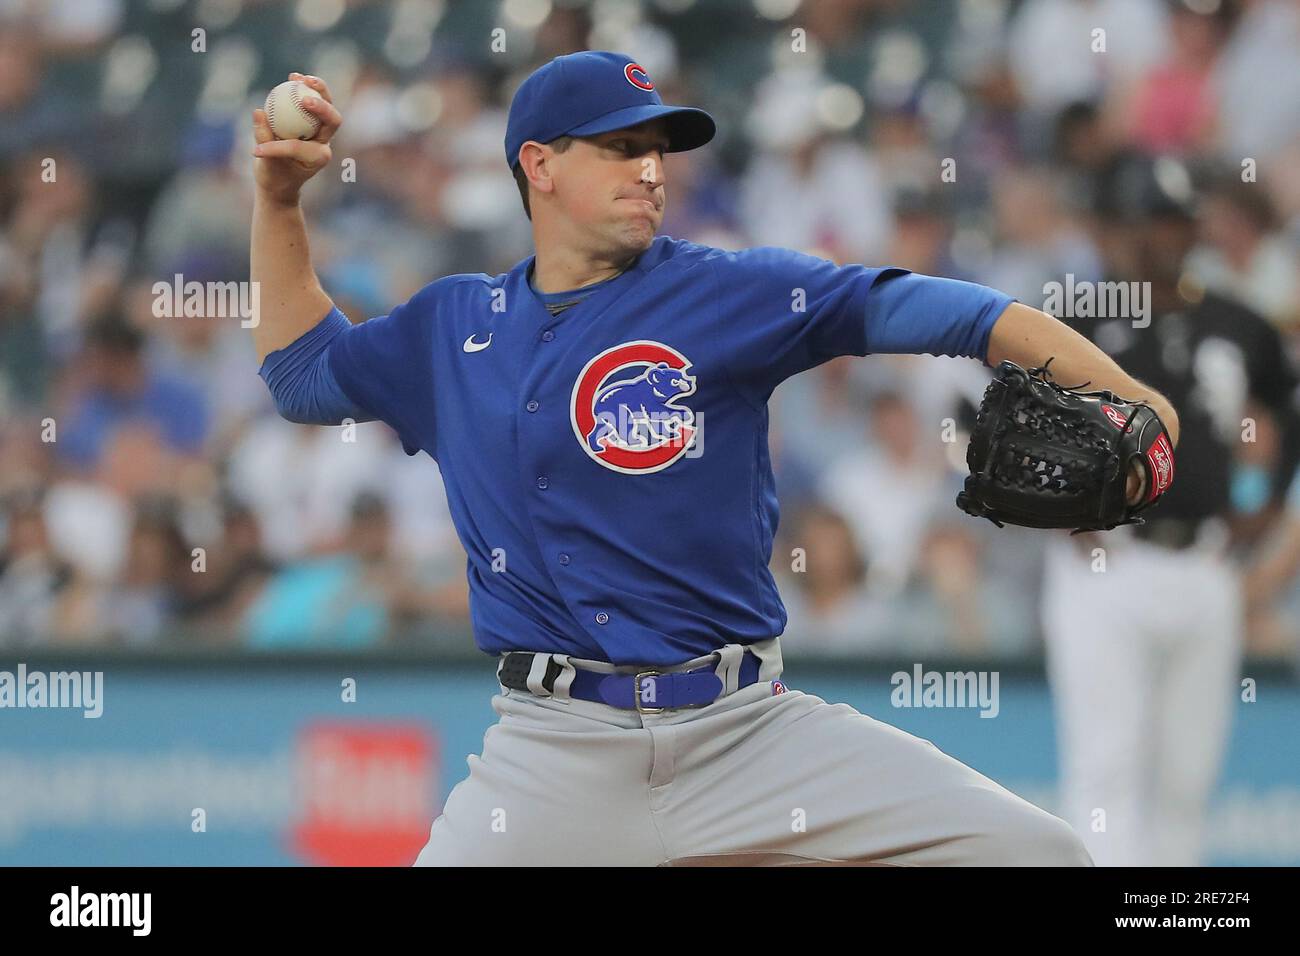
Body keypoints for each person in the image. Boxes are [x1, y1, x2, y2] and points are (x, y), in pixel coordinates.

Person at [248, 51, 1179, 866]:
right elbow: (300, 374)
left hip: (747, 733)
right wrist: (279, 201)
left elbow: (954, 313)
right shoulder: (452, 326)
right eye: (620, 148)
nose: (651, 171)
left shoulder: (727, 293)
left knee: (1036, 854)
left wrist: (1135, 398)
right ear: (539, 165)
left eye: (657, 150)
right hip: (552, 754)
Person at [1041, 155, 1299, 865]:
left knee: (1187, 779)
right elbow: (992, 414)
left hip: (1207, 562)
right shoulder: (1075, 319)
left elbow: (1281, 412)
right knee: (1106, 769)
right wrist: (1058, 505)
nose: (1161, 236)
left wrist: (1264, 502)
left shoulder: (1237, 322)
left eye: (1175, 221)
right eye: (1147, 220)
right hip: (1107, 563)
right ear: (1116, 229)